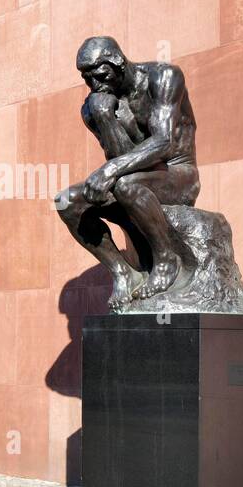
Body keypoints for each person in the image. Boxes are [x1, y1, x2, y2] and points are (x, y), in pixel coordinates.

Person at [55, 36, 200, 310]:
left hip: (178, 174)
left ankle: (168, 260)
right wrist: (106, 119)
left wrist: (110, 170)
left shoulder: (164, 77)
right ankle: (123, 272)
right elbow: (122, 158)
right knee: (67, 201)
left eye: (99, 75)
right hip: (136, 177)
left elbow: (163, 143)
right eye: (87, 79)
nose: (94, 85)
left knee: (125, 185)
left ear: (118, 62)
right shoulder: (94, 106)